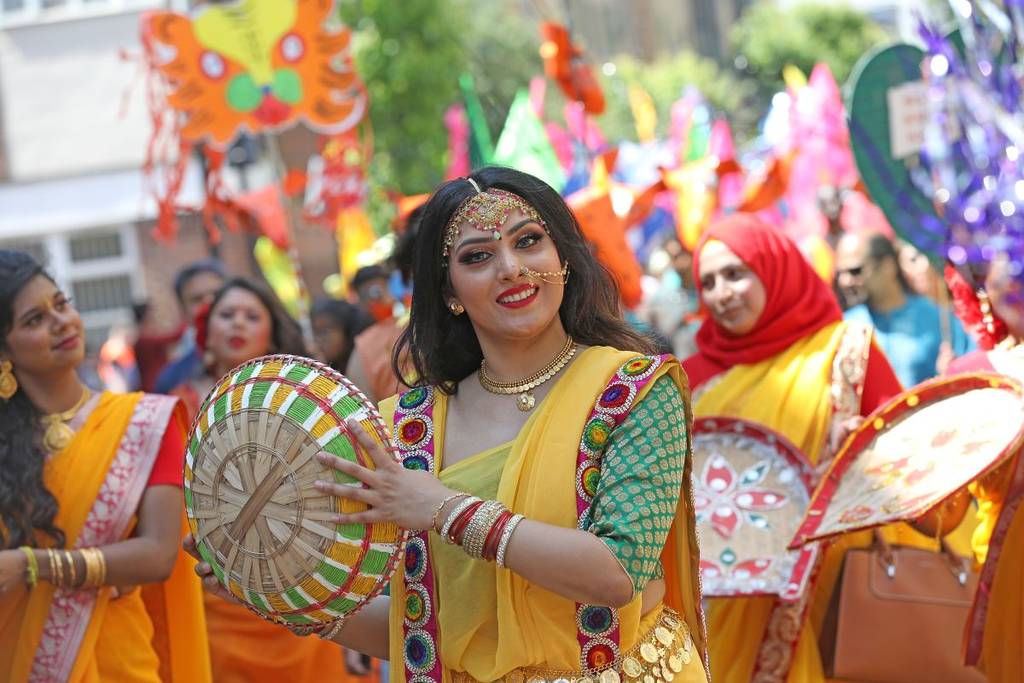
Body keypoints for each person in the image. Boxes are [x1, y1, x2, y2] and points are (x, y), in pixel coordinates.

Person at [190, 167, 710, 681]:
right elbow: (418, 633)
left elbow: (618, 572)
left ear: (564, 260)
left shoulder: (632, 391)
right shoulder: (404, 430)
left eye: (528, 241)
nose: (510, 268)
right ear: (450, 293)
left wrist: (442, 509)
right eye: (477, 256)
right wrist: (275, 592)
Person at [681, 214, 972, 682]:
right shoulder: (689, 377)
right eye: (708, 282)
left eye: (736, 274)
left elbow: (911, 465)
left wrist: (863, 446)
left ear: (775, 269)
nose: (721, 293)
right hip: (721, 597)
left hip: (835, 593)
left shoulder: (846, 352)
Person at [0, 249, 209, 681]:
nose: (61, 322)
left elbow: (157, 555)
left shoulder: (145, 422)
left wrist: (33, 565)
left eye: (60, 304)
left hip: (118, 660)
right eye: (34, 320)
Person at [166, 276, 357, 682]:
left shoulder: (302, 405)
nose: (238, 324)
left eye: (252, 316)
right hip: (212, 588)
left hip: (295, 583)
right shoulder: (176, 408)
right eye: (227, 315)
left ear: (270, 333)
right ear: (206, 332)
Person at [942, 259, 1024, 682]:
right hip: (1012, 593)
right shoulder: (971, 375)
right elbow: (942, 513)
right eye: (1006, 262)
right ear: (982, 284)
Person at [836, 232, 974, 387]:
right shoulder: (845, 329)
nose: (844, 281)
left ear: (888, 266)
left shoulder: (936, 317)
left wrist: (952, 372)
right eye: (840, 273)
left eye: (855, 271)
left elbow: (973, 368)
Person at [154, 259, 226, 394]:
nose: (209, 302)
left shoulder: (267, 365)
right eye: (197, 299)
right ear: (183, 311)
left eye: (217, 295)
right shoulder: (173, 381)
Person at [346, 264, 405, 403]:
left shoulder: (411, 323)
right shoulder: (362, 343)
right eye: (373, 293)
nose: (380, 298)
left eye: (382, 290)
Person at [311, 297, 375, 375]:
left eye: (325, 331)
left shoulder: (365, 362)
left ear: (346, 329)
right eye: (316, 332)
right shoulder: (328, 371)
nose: (319, 340)